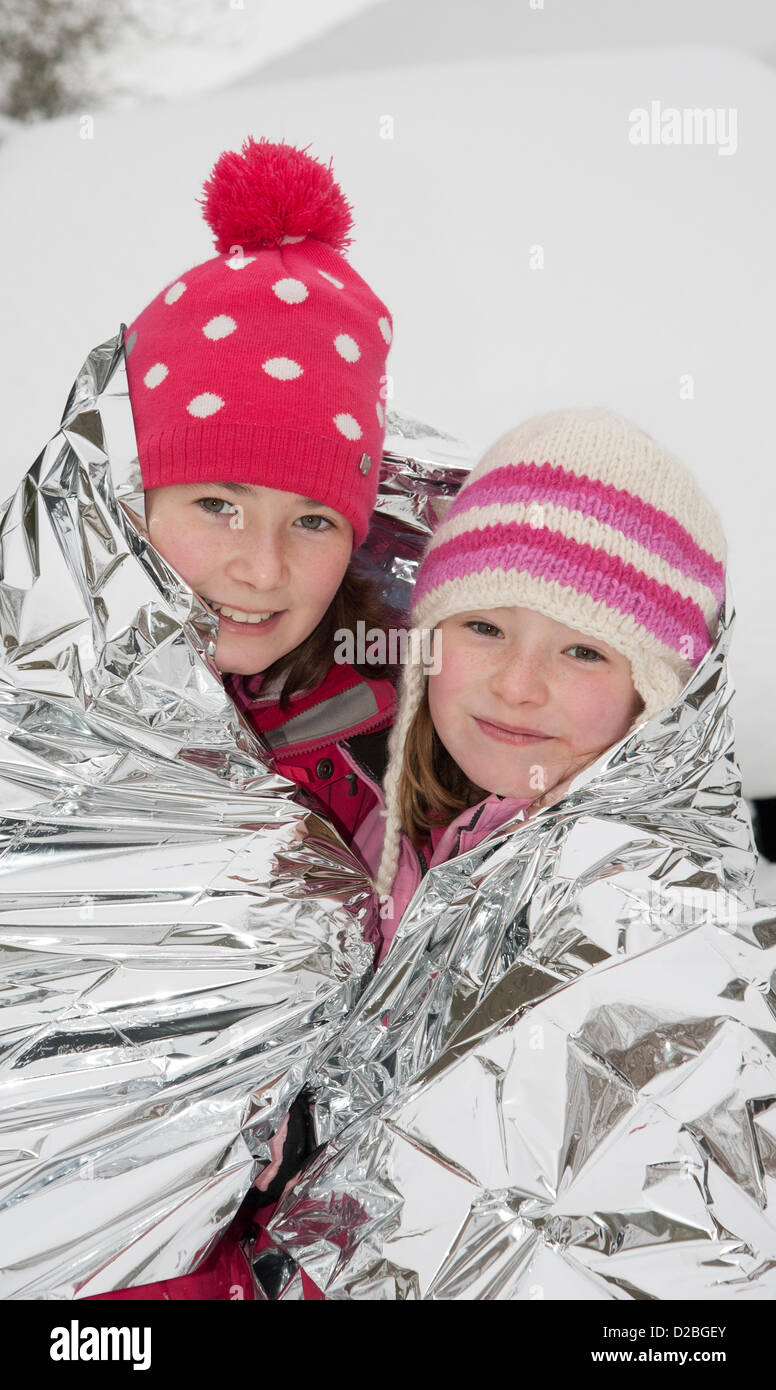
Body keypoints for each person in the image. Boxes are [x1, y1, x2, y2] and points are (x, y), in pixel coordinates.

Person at [91, 134, 395, 1301]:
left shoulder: (372, 727)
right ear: (137, 497)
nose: (259, 567)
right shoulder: (51, 727)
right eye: (215, 502)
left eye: (312, 519)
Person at [356, 407, 726, 963]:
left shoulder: (637, 909)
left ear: (655, 695)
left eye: (583, 652)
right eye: (485, 627)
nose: (516, 687)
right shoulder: (382, 823)